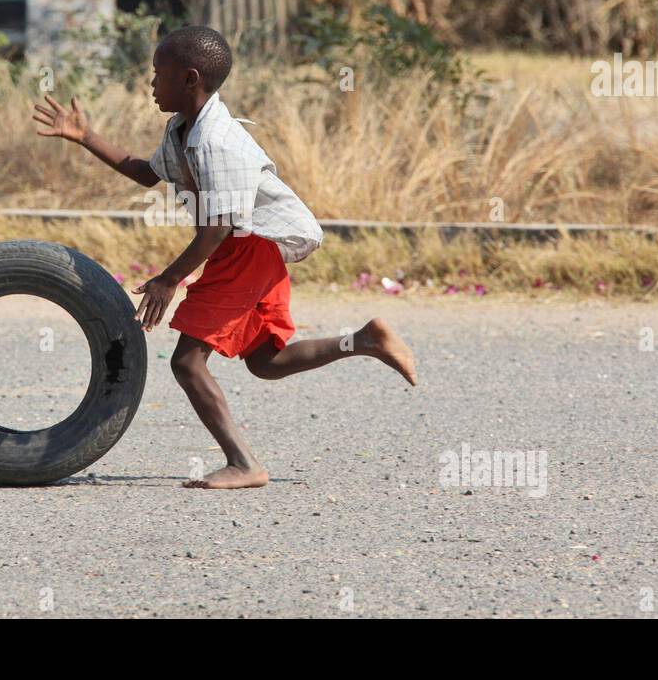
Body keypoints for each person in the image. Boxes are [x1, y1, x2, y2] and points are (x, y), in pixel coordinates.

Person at [33, 26, 418, 490]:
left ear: (191, 79)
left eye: (159, 74)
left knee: (186, 363)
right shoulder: (181, 129)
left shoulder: (218, 142)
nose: (152, 84)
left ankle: (244, 463)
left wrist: (168, 280)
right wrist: (85, 135)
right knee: (265, 362)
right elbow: (145, 173)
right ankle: (365, 341)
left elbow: (216, 228)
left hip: (246, 248)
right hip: (243, 249)